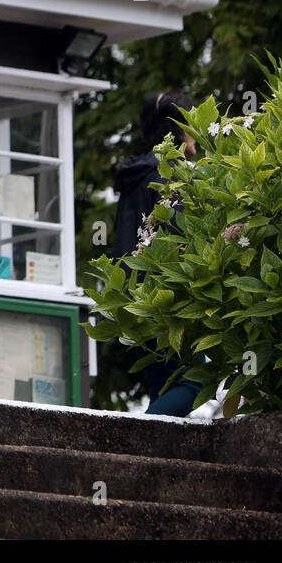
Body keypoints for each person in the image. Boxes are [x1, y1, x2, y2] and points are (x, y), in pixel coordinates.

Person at [112, 91, 203, 416]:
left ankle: (146, 460)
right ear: (179, 128)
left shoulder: (136, 175)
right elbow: (181, 243)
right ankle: (133, 442)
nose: (200, 131)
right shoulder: (171, 175)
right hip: (166, 300)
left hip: (132, 299)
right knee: (195, 385)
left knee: (162, 385)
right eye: (195, 122)